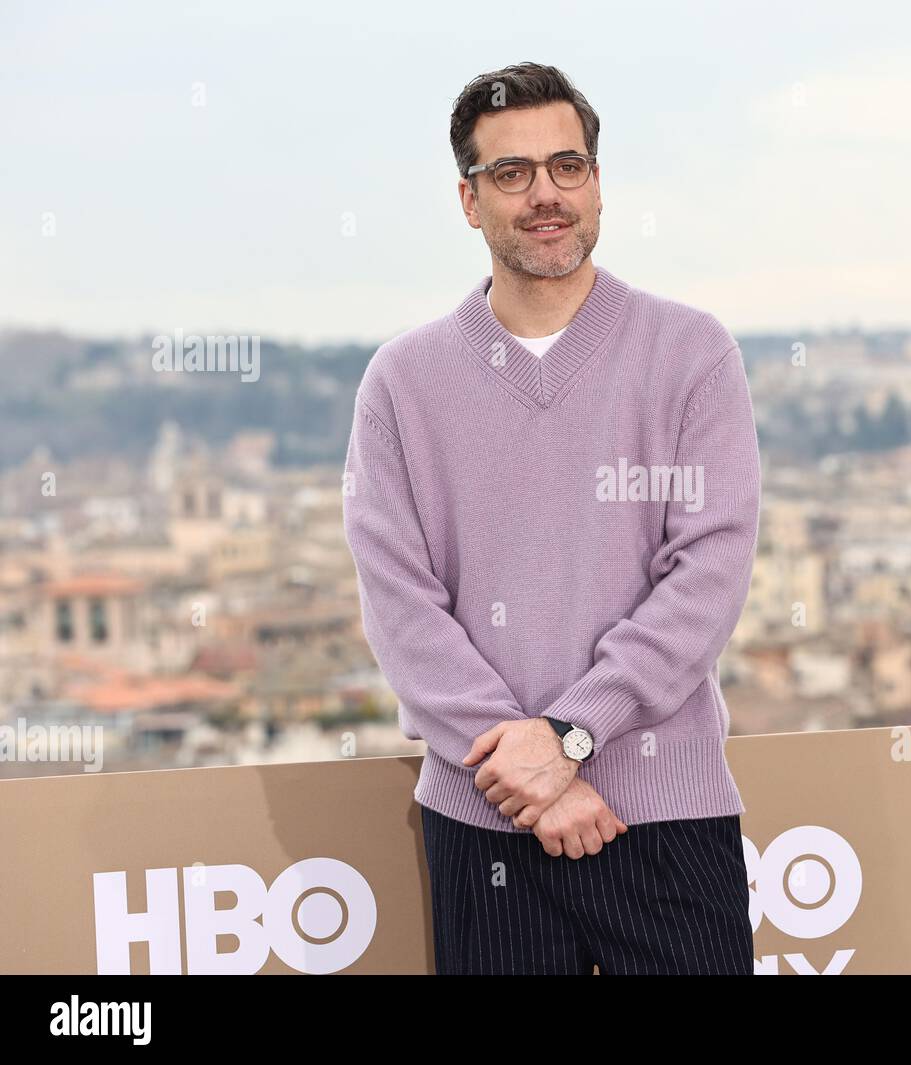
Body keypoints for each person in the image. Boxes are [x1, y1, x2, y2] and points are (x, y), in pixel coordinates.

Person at [342, 61, 761, 975]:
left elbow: (709, 576)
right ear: (468, 199)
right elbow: (400, 607)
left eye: (568, 166)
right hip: (483, 828)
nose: (546, 194)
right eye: (512, 173)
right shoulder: (404, 383)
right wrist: (529, 778)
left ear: (598, 183)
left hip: (664, 815)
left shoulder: (692, 354)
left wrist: (568, 737)